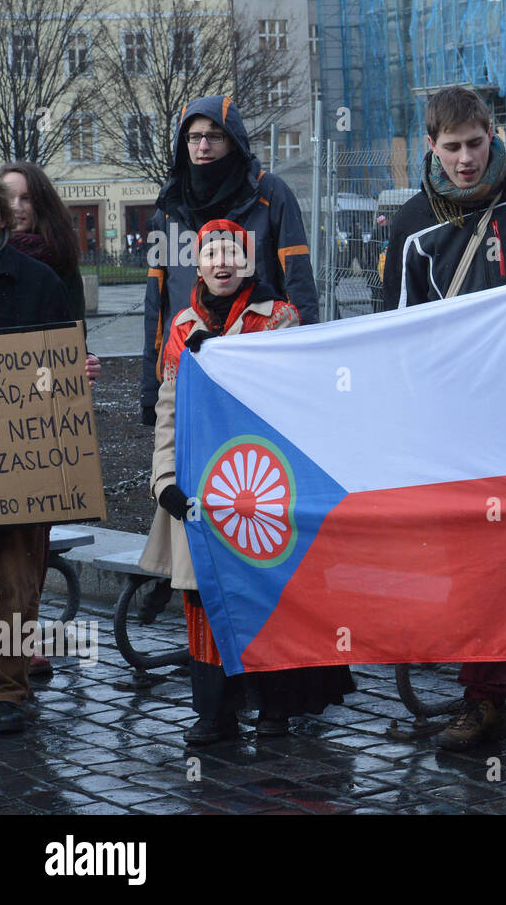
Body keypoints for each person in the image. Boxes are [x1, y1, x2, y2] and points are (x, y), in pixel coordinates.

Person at [384, 85, 506, 754]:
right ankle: (483, 697)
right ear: (431, 146)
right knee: (478, 564)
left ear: (493, 134)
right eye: (452, 147)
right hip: (463, 426)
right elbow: (400, 333)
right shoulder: (414, 224)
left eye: (476, 143)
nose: (466, 159)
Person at [139, 219, 354, 744]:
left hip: (264, 486)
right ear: (199, 264)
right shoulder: (182, 327)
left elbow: (292, 398)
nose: (221, 262)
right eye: (211, 253)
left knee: (266, 595)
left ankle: (275, 708)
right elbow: (169, 412)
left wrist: (226, 360)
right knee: (206, 600)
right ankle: (216, 712)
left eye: (231, 252)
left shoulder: (279, 318)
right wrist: (163, 480)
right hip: (201, 491)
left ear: (249, 262)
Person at [142, 96, 318, 427]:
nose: (203, 145)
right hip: (187, 369)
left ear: (233, 140)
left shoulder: (270, 194)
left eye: (215, 135)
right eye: (194, 137)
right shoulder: (167, 207)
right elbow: (156, 301)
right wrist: (151, 389)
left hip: (260, 375)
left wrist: (305, 368)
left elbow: (299, 284)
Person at [0, 161, 102, 678]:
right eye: (6, 199)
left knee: (26, 557)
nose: (15, 209)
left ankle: (14, 661)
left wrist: (74, 367)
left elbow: (67, 343)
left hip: (31, 431)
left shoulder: (52, 271)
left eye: (24, 199)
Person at [0, 178, 72, 733]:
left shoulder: (39, 282)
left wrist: (40, 385)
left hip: (22, 461)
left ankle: (8, 690)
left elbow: (59, 368)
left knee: (19, 587)